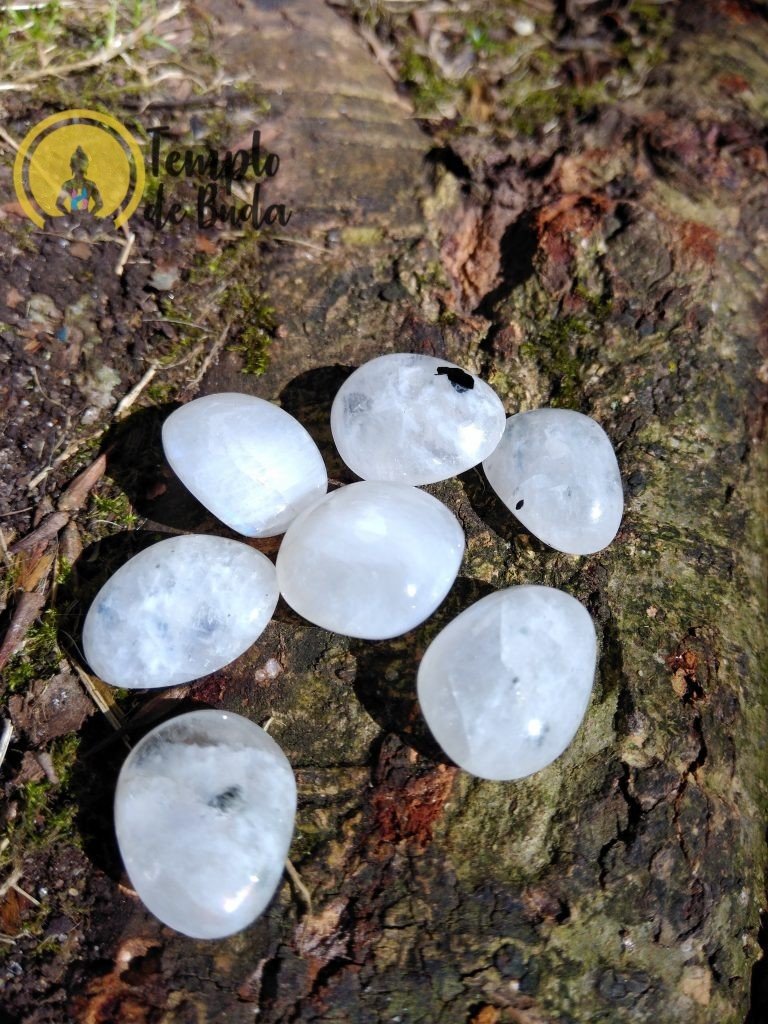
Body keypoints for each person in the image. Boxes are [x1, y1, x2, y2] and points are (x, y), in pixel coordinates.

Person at [55, 146, 103, 215]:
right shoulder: (90, 184)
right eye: (77, 165)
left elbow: (58, 204)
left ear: (71, 166)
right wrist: (90, 215)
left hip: (75, 218)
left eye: (80, 166)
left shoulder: (68, 184)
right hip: (81, 218)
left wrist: (69, 216)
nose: (78, 168)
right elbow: (59, 204)